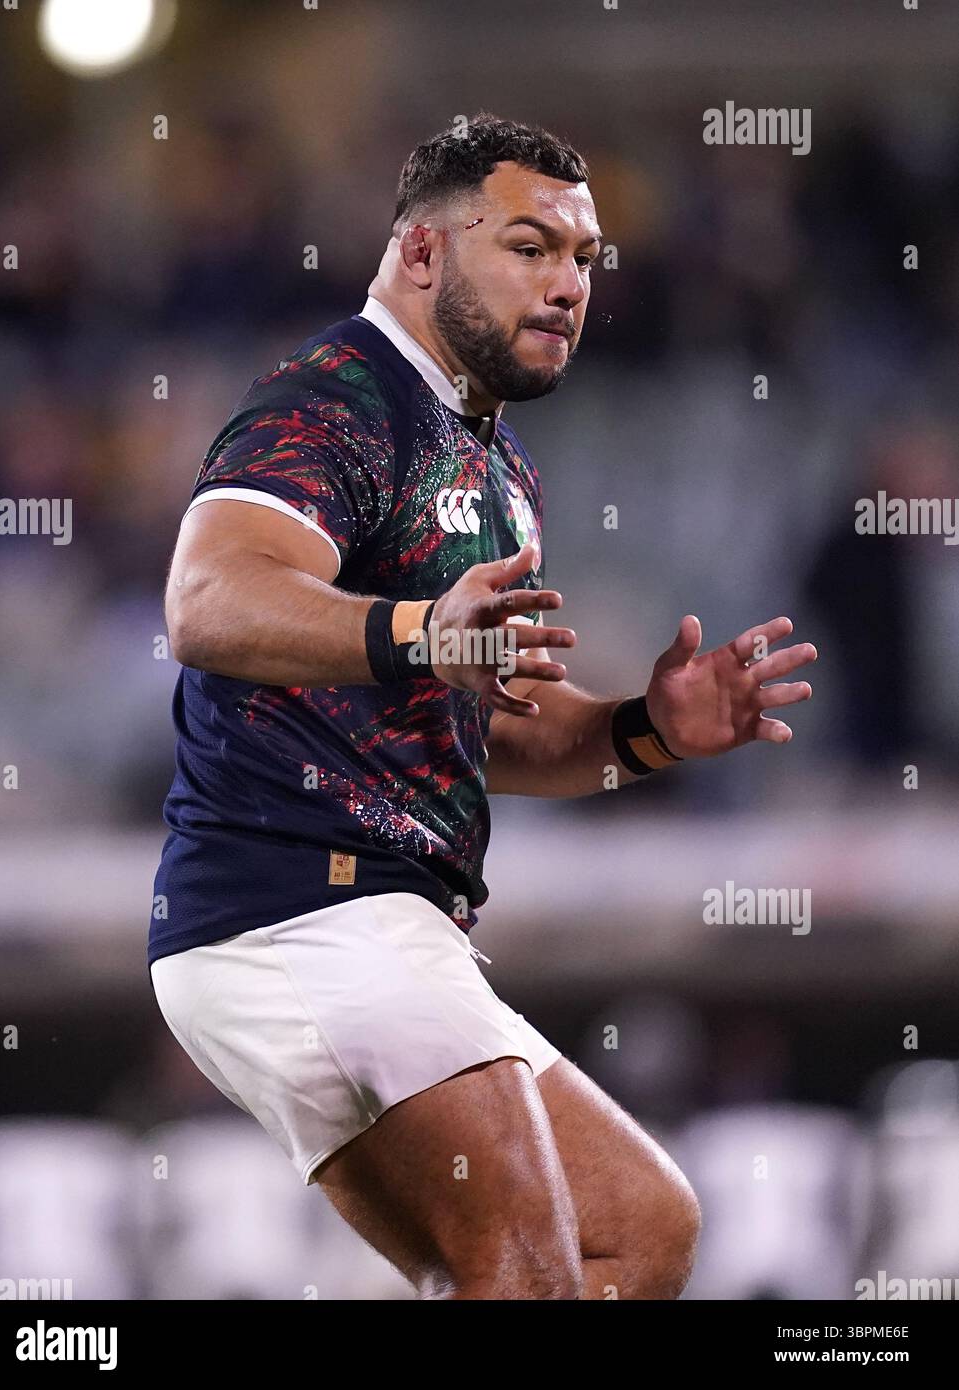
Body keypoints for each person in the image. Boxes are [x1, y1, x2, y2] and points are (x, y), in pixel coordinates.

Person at [149, 113, 818, 1299]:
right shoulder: (334, 401)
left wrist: (647, 728)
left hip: (367, 925)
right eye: (530, 246)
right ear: (420, 255)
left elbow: (493, 732)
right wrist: (418, 629)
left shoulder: (498, 467)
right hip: (304, 908)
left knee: (638, 1234)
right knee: (529, 1265)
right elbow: (206, 599)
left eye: (584, 260)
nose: (568, 286)